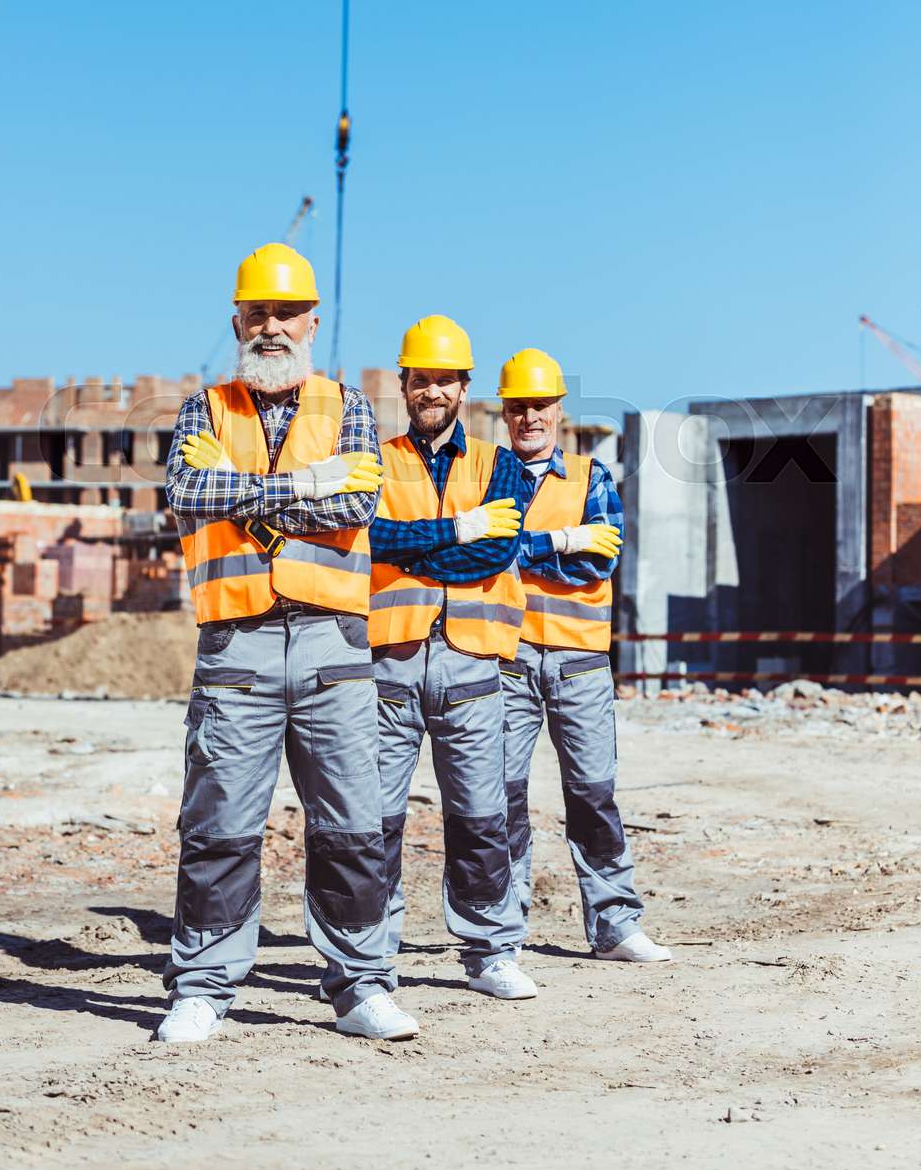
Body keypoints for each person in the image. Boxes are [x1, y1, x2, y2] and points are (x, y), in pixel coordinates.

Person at [156, 242, 418, 1044]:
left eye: (286, 313)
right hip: (235, 644)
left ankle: (361, 986)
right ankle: (203, 987)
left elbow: (354, 505)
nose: (272, 326)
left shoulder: (351, 407)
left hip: (332, 644)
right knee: (219, 825)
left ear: (312, 322)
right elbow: (187, 491)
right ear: (238, 321)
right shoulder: (204, 409)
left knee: (353, 824)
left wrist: (247, 494)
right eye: (258, 313)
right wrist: (305, 483)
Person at [367, 316, 539, 1000]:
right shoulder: (375, 459)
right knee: (373, 819)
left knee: (479, 817)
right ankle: (368, 957)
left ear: (465, 388)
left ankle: (491, 951)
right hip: (390, 659)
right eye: (421, 379)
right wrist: (452, 531)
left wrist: (416, 549)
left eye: (445, 380)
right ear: (404, 384)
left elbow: (494, 552)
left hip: (471, 662)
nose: (432, 391)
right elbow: (368, 539)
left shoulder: (499, 464)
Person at [498, 348, 671, 964]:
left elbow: (599, 560)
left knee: (594, 795)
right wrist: (562, 540)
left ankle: (615, 925)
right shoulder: (487, 476)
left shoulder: (590, 475)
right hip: (508, 659)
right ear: (505, 413)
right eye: (518, 407)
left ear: (558, 411)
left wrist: (524, 550)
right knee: (501, 798)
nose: (530, 417)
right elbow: (486, 553)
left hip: (580, 661)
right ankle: (502, 933)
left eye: (540, 405)